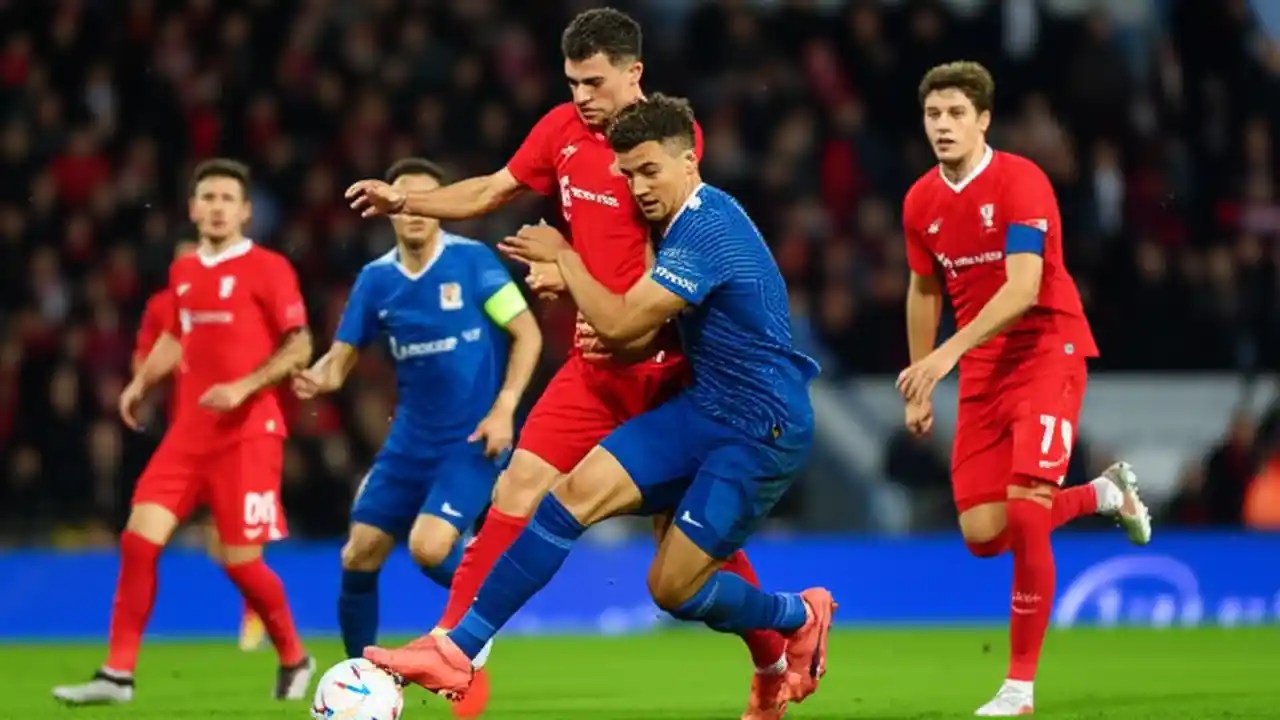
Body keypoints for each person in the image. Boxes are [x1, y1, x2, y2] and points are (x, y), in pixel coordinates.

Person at [344, 8, 796, 718]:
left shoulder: (662, 147)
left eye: (593, 81)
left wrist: (573, 275)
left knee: (680, 556)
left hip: (660, 373)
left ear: (633, 73)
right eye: (572, 82)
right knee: (518, 489)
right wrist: (408, 197)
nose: (582, 96)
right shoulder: (560, 131)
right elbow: (494, 188)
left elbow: (660, 267)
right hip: (592, 366)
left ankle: (774, 650)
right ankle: (452, 647)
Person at [896, 61, 1152, 716]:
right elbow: (924, 288)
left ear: (983, 119)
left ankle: (1019, 687)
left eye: (956, 113)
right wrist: (919, 379)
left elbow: (1023, 288)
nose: (944, 126)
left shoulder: (1020, 181)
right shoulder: (921, 201)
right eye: (933, 115)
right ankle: (1102, 492)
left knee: (1029, 516)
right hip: (982, 368)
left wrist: (945, 356)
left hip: (1047, 350)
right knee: (984, 532)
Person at [53, 159, 315, 705]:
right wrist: (142, 383)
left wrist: (244, 387)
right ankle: (117, 675)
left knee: (240, 563)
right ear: (193, 209)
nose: (217, 206)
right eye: (208, 197)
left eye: (228, 198)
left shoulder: (268, 268)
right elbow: (177, 335)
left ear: (245, 211)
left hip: (248, 432)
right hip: (188, 434)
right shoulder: (184, 272)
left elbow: (300, 345)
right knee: (137, 539)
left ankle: (295, 654)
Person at [292, 158, 541, 663]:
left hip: (472, 440)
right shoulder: (376, 281)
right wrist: (320, 375)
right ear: (389, 211)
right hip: (408, 441)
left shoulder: (472, 265)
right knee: (358, 552)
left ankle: (477, 620)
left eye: (426, 200)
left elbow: (526, 333)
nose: (415, 212)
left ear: (440, 207)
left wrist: (505, 409)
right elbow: (342, 359)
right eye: (404, 202)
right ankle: (360, 675)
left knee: (428, 548)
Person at [134, 241, 268, 654]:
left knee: (236, 535)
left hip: (238, 430)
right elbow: (144, 362)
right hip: (186, 435)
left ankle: (254, 614)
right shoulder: (161, 308)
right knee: (158, 531)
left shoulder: (243, 295)